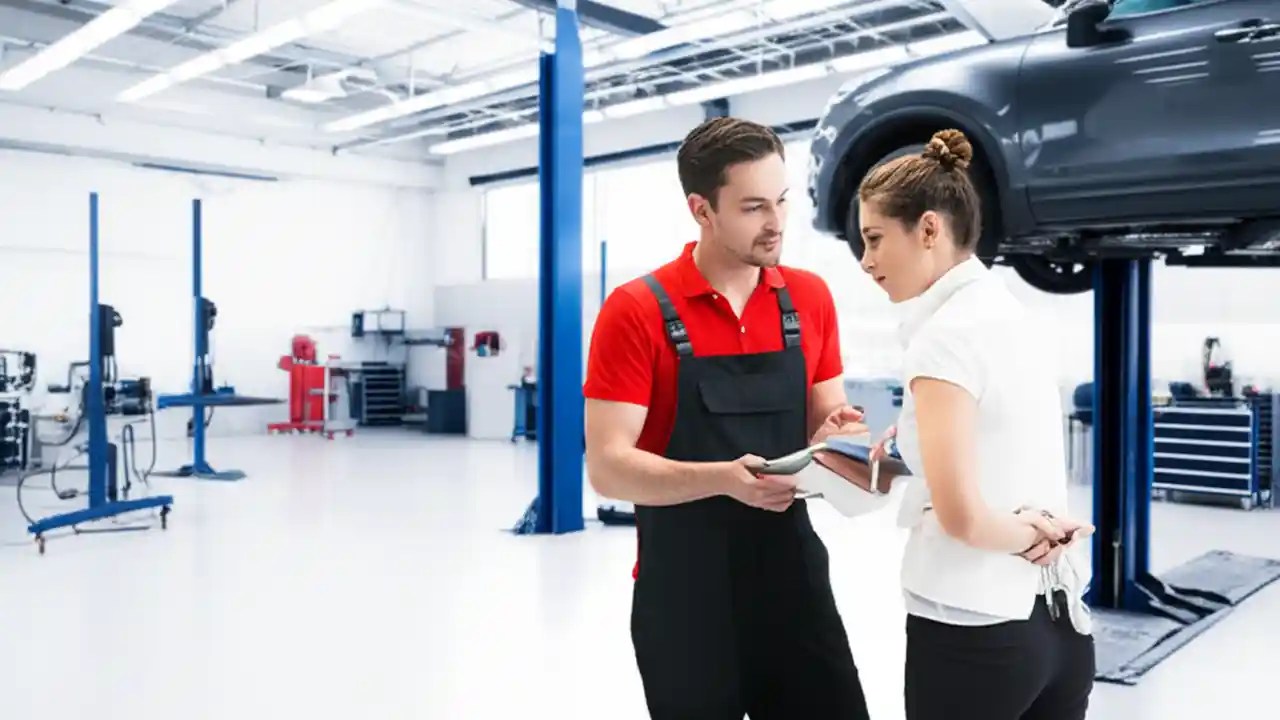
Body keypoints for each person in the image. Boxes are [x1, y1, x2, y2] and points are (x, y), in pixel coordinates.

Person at [583, 116, 872, 720]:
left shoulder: (809, 298)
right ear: (702, 209)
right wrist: (722, 478)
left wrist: (837, 439)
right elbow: (609, 469)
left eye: (783, 201)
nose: (776, 223)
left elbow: (828, 421)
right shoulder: (636, 311)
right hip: (685, 595)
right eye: (753, 207)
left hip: (792, 579)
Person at [856, 129, 1096, 720]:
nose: (866, 262)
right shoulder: (1013, 315)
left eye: (875, 239)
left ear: (930, 230)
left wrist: (1038, 534)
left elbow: (962, 517)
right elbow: (999, 438)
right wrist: (908, 444)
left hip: (976, 634)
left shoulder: (943, 338)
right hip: (1061, 629)